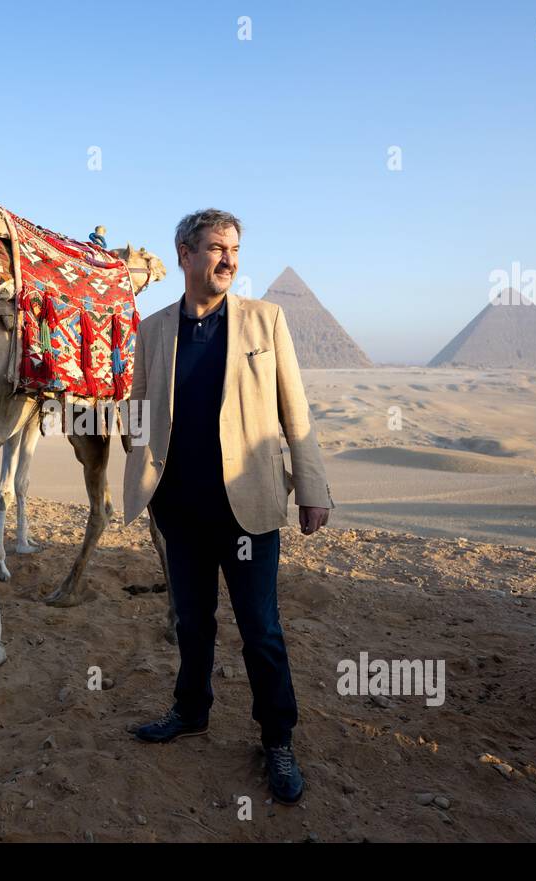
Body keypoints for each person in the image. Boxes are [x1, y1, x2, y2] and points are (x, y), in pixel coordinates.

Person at [122, 209, 334, 804]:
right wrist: (135, 462)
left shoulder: (268, 321)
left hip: (250, 507)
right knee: (191, 622)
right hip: (180, 509)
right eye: (216, 247)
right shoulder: (154, 330)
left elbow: (297, 412)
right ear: (185, 253)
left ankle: (278, 739)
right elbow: (139, 408)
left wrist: (312, 488)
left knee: (260, 629)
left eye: (235, 248)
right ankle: (191, 712)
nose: (229, 259)